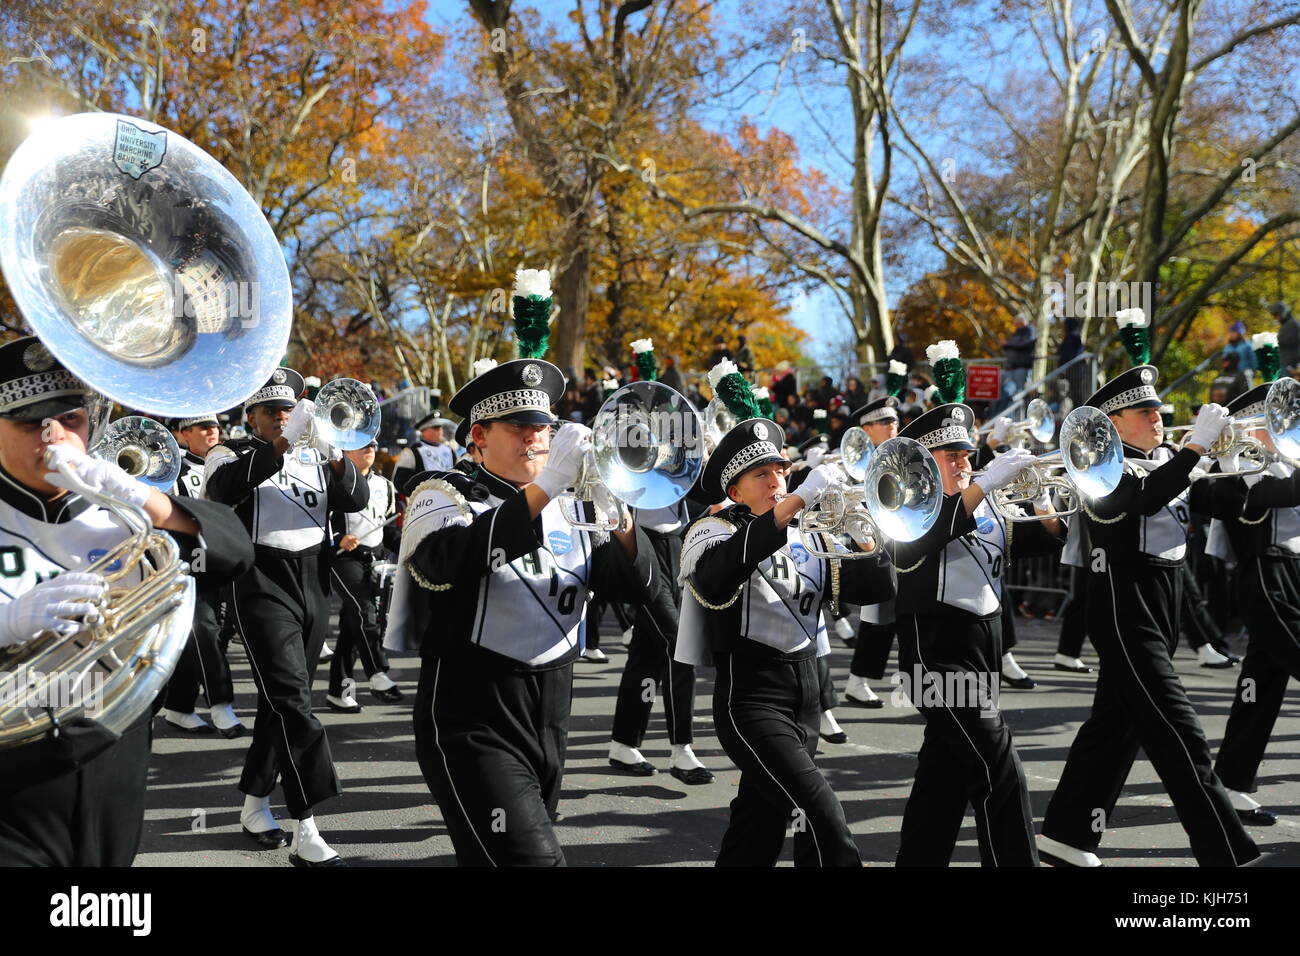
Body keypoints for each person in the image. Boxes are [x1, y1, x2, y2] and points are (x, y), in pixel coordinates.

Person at [390, 357, 657, 866]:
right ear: (480, 436)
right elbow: (448, 563)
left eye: (545, 426)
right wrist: (549, 484)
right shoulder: (443, 494)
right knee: (531, 858)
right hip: (472, 712)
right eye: (520, 426)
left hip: (552, 705)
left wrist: (619, 515)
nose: (538, 437)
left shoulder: (573, 503)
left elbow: (639, 587)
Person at [0, 336, 253, 866]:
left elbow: (234, 553)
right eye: (30, 424)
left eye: (72, 420)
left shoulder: (122, 506)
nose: (56, 440)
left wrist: (136, 493)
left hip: (113, 739)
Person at [1037, 309, 1261, 868]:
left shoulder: (1166, 461)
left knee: (1115, 727)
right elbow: (1138, 500)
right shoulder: (1101, 472)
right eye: (1145, 409)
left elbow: (1217, 503)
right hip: (1123, 606)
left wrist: (1244, 459)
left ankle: (1065, 834)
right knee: (1179, 732)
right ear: (1114, 424)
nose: (1159, 416)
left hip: (1162, 603)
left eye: (1159, 408)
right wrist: (1194, 451)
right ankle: (1228, 854)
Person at [676, 361, 894, 866]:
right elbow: (716, 576)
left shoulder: (810, 529)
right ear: (734, 490)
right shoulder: (714, 532)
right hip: (751, 701)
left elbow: (873, 587)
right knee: (822, 815)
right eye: (762, 474)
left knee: (759, 824)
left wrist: (869, 535)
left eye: (781, 470)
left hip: (808, 698)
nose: (777, 479)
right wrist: (796, 501)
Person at [889, 341, 1063, 866]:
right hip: (936, 658)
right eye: (952, 455)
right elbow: (921, 543)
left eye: (968, 453)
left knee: (943, 777)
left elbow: (1044, 539)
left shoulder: (985, 507)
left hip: (983, 652)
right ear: (923, 464)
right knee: (998, 768)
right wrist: (984, 484)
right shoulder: (900, 510)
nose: (966, 461)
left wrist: (1042, 493)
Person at [204, 367, 369, 866]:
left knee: (282, 702)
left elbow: (355, 499)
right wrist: (280, 446)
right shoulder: (231, 451)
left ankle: (256, 804)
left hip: (312, 578)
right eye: (272, 411)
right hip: (261, 581)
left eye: (288, 409)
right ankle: (308, 824)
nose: (283, 417)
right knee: (294, 701)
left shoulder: (313, 452)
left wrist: (335, 451)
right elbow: (222, 491)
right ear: (251, 416)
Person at [1208, 337, 1300, 826]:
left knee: (1260, 685)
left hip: (1292, 573)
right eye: (1274, 416)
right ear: (1249, 422)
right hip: (1266, 575)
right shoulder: (1238, 460)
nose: (1284, 424)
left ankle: (1232, 780)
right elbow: (1272, 495)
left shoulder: (1286, 455)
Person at [158, 413, 246, 738]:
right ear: (184, 435)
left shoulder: (228, 463)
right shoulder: (171, 469)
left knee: (205, 632)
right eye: (203, 427)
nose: (212, 432)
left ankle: (179, 707)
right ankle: (221, 703)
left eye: (215, 427)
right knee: (204, 627)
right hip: (189, 557)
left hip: (223, 555)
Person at [325, 438, 403, 712]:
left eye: (372, 444)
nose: (370, 448)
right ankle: (377, 672)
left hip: (375, 559)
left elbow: (389, 530)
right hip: (343, 559)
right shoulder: (332, 481)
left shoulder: (385, 485)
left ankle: (339, 691)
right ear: (345, 451)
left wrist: (412, 548)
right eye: (362, 445)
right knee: (364, 610)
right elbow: (315, 520)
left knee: (351, 625)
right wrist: (337, 539)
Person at [844, 392, 903, 708]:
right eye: (884, 421)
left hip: (904, 536)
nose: (892, 424)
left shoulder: (900, 453)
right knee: (880, 612)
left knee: (911, 613)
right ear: (867, 429)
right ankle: (857, 680)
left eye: (893, 419)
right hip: (872, 536)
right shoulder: (858, 459)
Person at [393, 413, 455, 491]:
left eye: (440, 427)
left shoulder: (449, 450)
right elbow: (400, 483)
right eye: (435, 427)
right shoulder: (412, 451)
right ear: (423, 431)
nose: (440, 430)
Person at [997, 315, 1036, 414]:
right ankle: (1012, 417)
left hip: (1022, 368)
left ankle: (1020, 417)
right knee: (1010, 394)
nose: (1016, 326)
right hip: (1012, 368)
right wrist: (1005, 346)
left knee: (1019, 394)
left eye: (1017, 324)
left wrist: (1008, 344)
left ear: (1022, 322)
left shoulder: (1030, 331)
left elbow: (1024, 344)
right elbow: (1013, 347)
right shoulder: (1017, 333)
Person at [1271, 302, 1299, 371]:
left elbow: (1294, 344)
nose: (1275, 318)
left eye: (1276, 315)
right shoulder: (1286, 325)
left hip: (1291, 366)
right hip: (1286, 364)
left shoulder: (1292, 324)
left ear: (1283, 313)